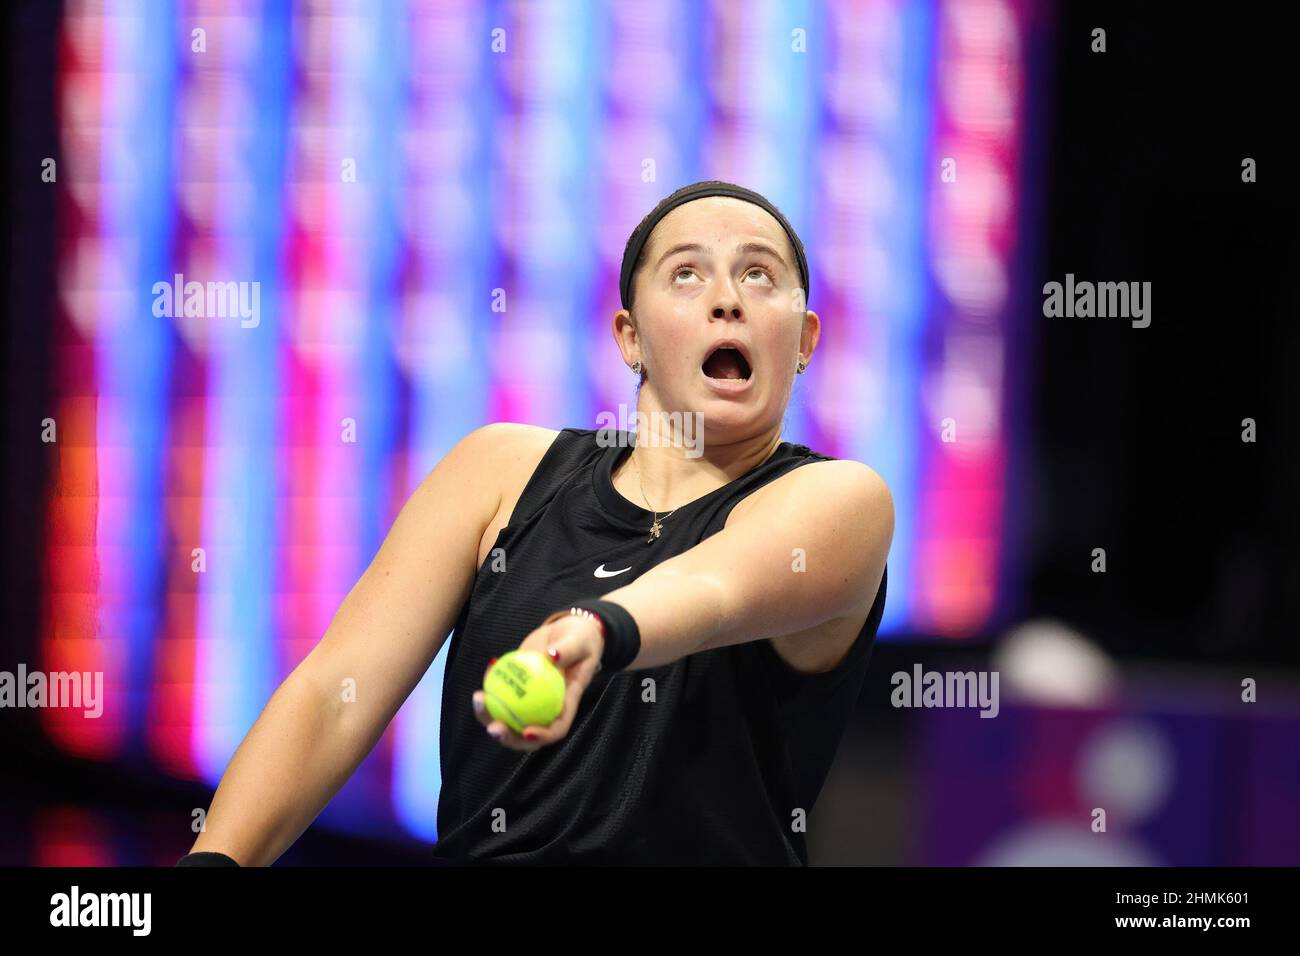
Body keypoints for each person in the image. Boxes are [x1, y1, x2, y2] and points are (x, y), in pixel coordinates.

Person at [177, 180, 893, 868]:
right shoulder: (496, 473)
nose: (728, 299)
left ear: (804, 341)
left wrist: (597, 629)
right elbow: (338, 692)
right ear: (629, 337)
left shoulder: (840, 501)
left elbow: (713, 588)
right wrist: (215, 861)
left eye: (760, 276)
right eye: (686, 274)